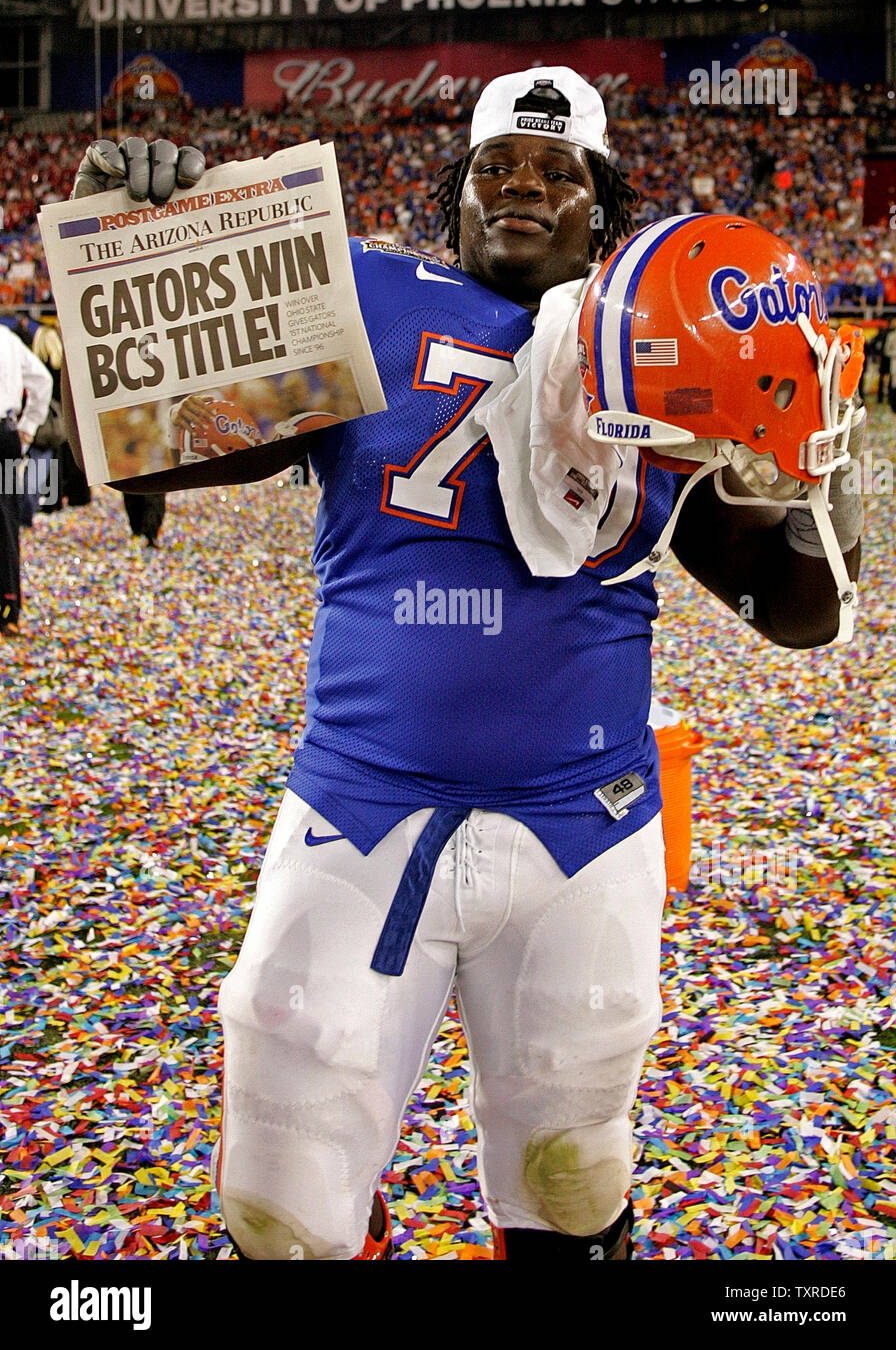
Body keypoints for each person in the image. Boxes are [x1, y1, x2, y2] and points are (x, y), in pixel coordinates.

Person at [65, 69, 862, 1261]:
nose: (523, 186)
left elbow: (792, 613)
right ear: (455, 195)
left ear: (605, 209)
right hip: (359, 796)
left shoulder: (659, 336)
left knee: (569, 1172)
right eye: (496, 165)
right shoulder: (363, 298)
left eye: (559, 171)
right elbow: (147, 458)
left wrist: (813, 475)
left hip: (578, 822)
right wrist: (124, 275)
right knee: (280, 1205)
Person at [0, 322, 52, 636]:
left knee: (5, 520)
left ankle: (8, 606)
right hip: (4, 436)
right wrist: (27, 427)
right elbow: (42, 380)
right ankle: (8, 608)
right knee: (5, 521)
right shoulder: (5, 338)